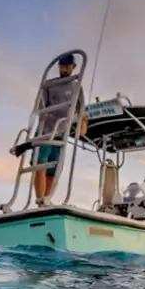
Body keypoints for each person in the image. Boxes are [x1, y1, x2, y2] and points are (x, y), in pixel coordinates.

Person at [33, 52, 88, 205]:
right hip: (46, 131)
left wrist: (83, 122)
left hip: (61, 133)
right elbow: (40, 106)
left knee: (53, 171)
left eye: (66, 66)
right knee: (40, 165)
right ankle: (40, 204)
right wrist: (44, 114)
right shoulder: (50, 84)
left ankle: (46, 199)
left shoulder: (76, 86)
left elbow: (81, 108)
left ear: (73, 67)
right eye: (61, 66)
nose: (63, 69)